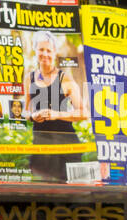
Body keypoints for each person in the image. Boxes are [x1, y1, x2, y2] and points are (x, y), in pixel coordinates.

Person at [24, 30, 83, 183]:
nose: (45, 54)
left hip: (65, 146)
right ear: (35, 50)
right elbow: (25, 110)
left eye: (49, 50)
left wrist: (57, 115)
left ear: (55, 52)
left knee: (69, 194)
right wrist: (32, 116)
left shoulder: (65, 79)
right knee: (42, 193)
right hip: (41, 146)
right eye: (41, 49)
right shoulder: (29, 78)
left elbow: (84, 112)